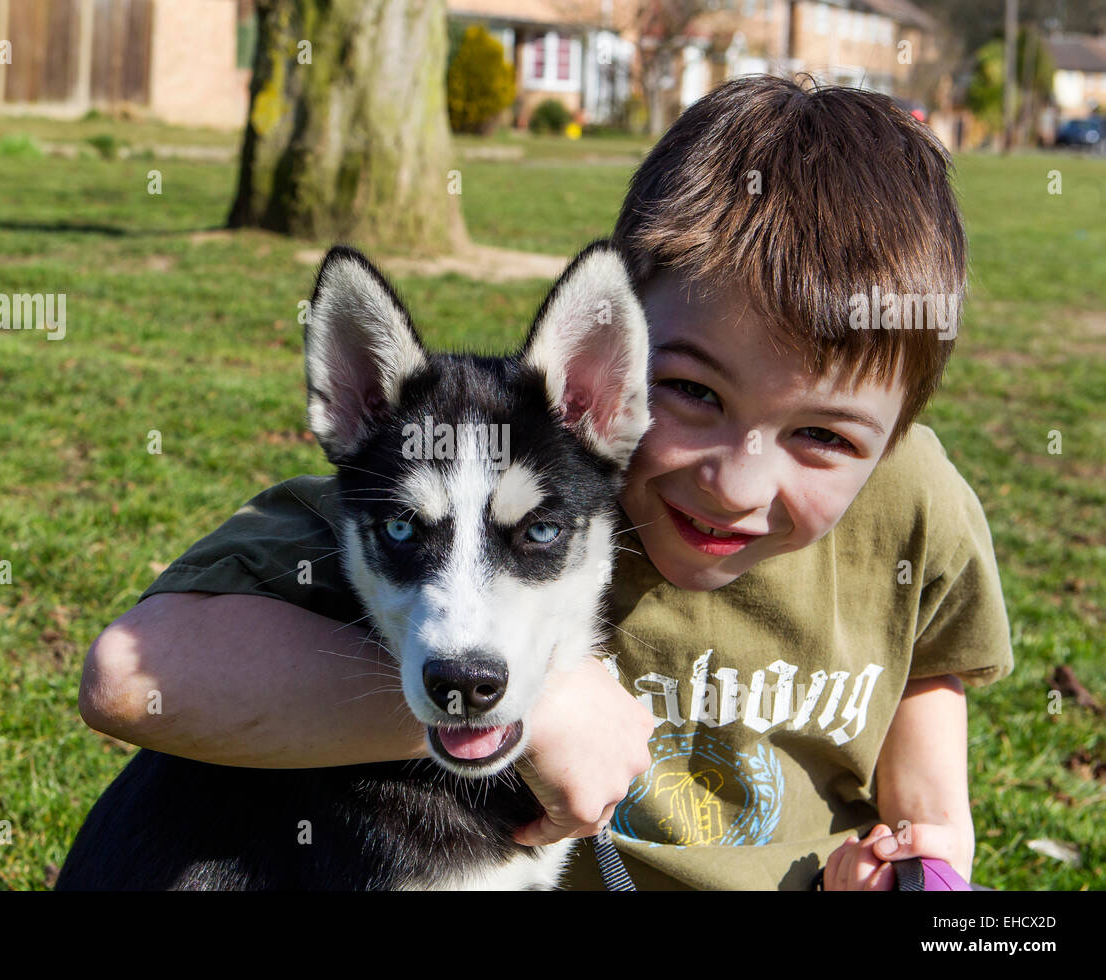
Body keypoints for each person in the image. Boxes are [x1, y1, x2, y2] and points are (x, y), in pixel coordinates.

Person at [76, 75, 1013, 891]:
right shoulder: (482, 462)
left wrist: (921, 873)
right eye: (691, 392)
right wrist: (547, 698)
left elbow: (929, 740)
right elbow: (129, 678)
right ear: (616, 376)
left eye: (821, 435)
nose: (735, 482)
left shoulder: (913, 506)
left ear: (895, 438)